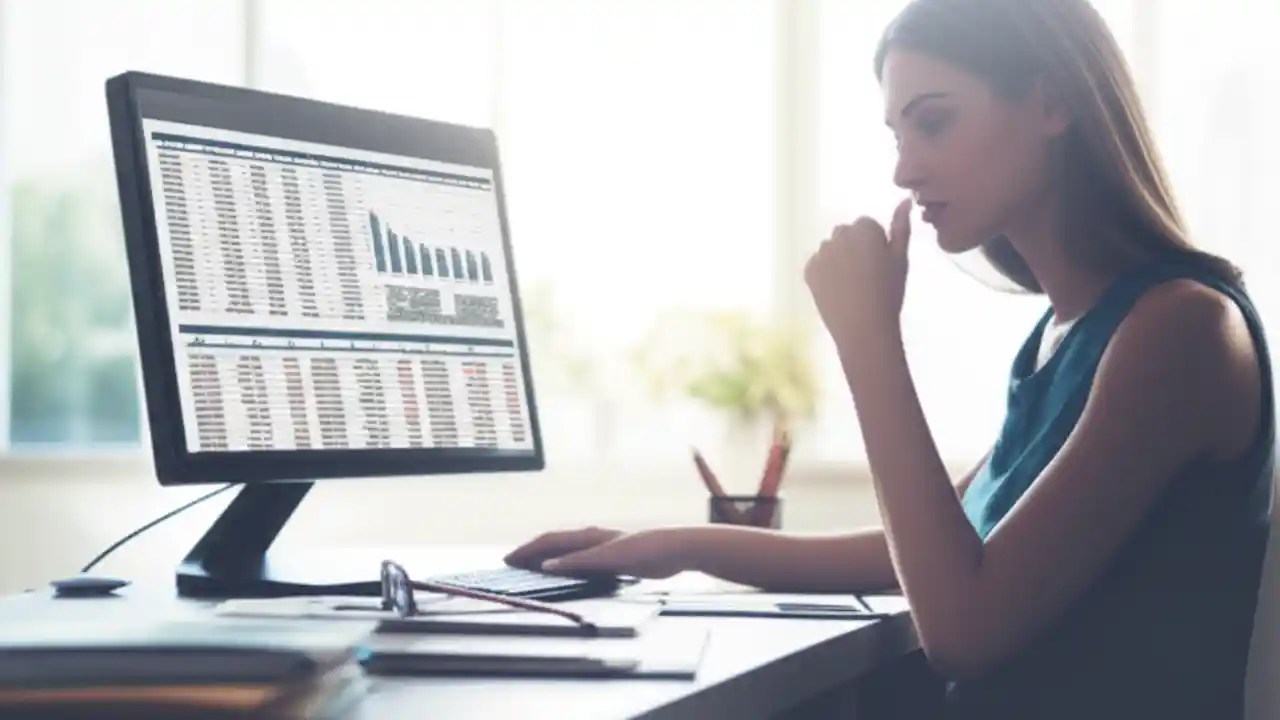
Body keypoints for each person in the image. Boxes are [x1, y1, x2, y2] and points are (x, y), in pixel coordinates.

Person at [504, 0, 1276, 717]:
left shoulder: (1184, 330)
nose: (905, 170)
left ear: (1051, 103)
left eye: (933, 123)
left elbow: (963, 626)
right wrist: (668, 544)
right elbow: (921, 552)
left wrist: (868, 337)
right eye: (897, 136)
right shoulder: (1063, 334)